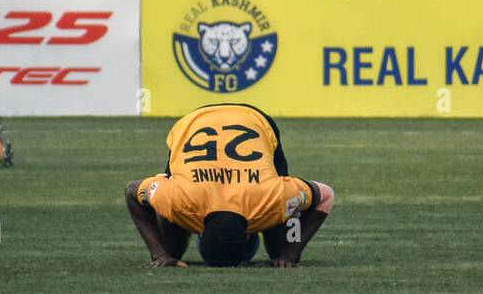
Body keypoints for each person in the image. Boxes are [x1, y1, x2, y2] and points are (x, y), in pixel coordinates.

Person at [124, 104, 335, 268]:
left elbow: (132, 191)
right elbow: (325, 195)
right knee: (286, 225)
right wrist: (289, 255)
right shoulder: (270, 198)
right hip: (201, 124)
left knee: (169, 245)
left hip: (219, 122)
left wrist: (160, 254)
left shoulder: (271, 197)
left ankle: (170, 229)